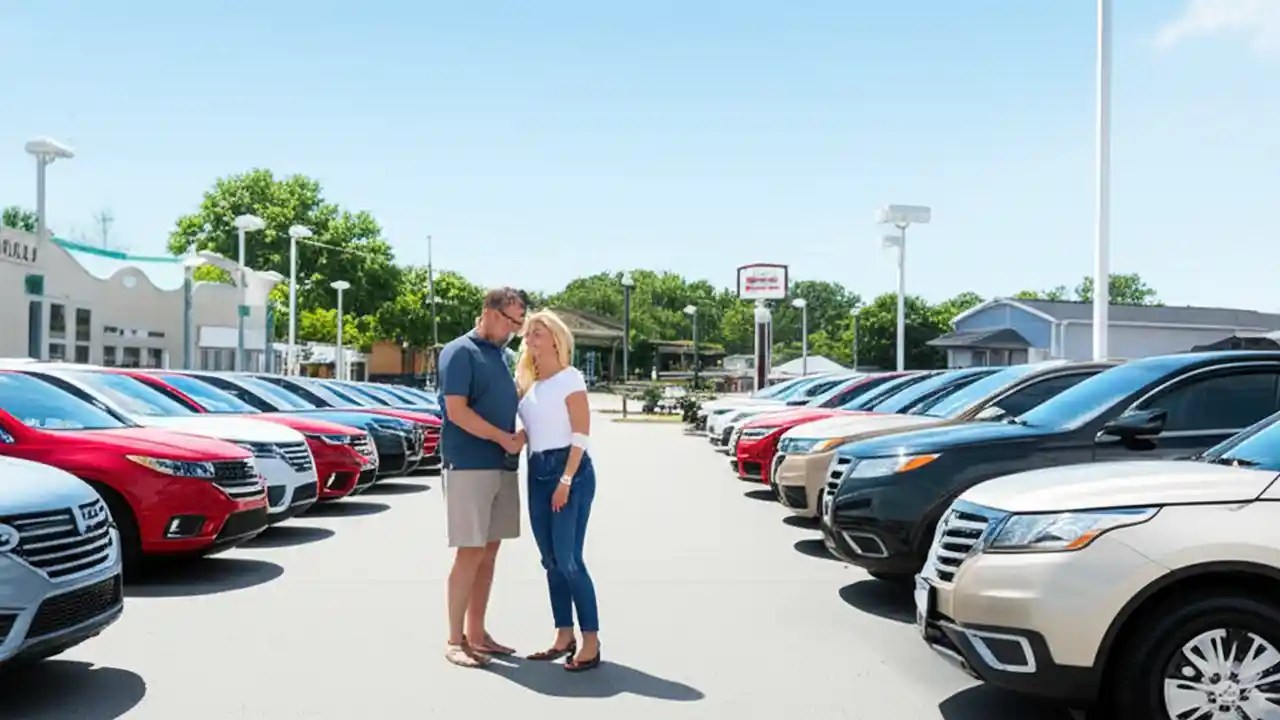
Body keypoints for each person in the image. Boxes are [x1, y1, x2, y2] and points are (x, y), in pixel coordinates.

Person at [437, 287, 527, 668]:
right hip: (469, 466)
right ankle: (455, 640)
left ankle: (478, 634)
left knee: (488, 554)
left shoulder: (501, 356)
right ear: (490, 312)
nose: (515, 329)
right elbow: (456, 411)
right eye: (513, 321)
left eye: (520, 323)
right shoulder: (459, 352)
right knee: (470, 552)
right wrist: (501, 437)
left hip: (501, 466)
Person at [514, 310, 602, 672]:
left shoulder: (570, 377)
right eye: (528, 334)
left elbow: (580, 433)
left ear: (555, 339)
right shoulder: (529, 384)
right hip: (536, 471)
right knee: (550, 561)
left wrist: (565, 481)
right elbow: (528, 431)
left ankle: (592, 642)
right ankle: (563, 636)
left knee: (569, 559)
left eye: (538, 332)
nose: (530, 338)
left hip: (570, 471)